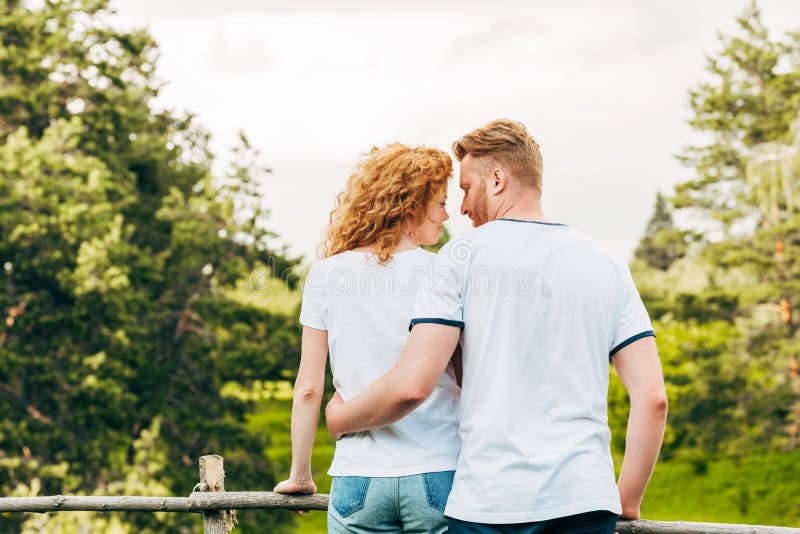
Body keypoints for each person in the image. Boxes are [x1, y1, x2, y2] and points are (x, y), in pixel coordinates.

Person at [326, 119, 669, 534]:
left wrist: (339, 419)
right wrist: (627, 501)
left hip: (487, 507)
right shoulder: (608, 264)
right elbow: (652, 399)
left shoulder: (459, 258)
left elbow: (411, 386)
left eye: (467, 188)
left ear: (497, 179)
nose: (464, 207)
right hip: (583, 501)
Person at [273, 143, 461, 533]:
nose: (447, 215)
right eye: (440, 203)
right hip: (439, 472)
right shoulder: (444, 272)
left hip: (357, 478)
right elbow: (467, 376)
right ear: (411, 205)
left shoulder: (325, 275)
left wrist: (301, 475)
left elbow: (308, 388)